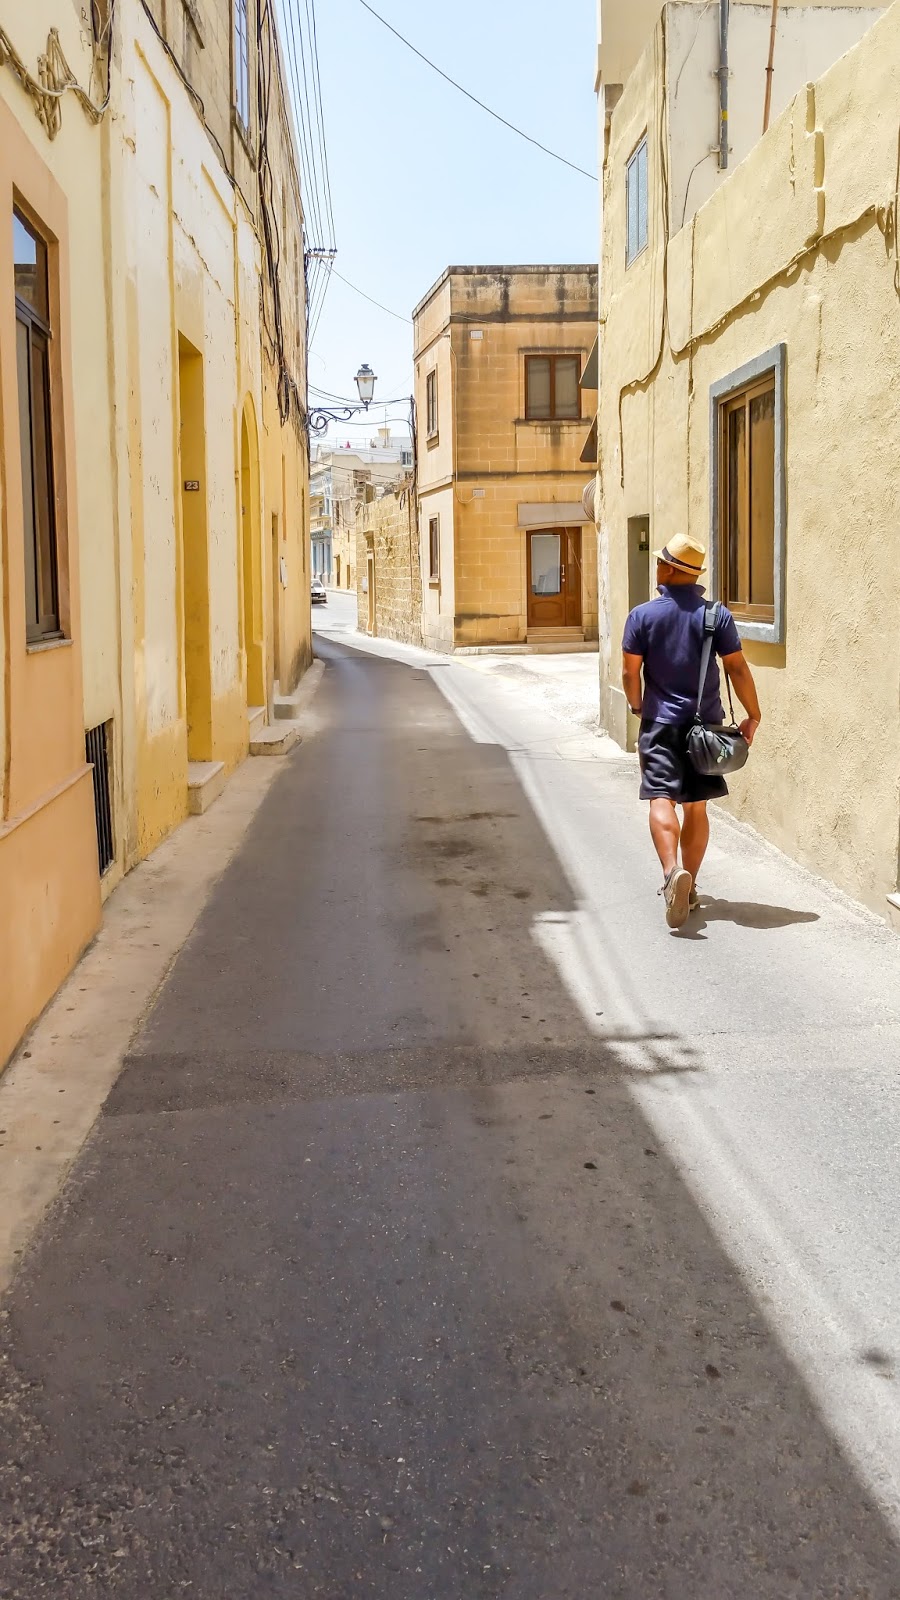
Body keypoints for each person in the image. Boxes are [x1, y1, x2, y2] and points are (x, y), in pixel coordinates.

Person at [621, 533, 762, 930]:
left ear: (668, 569)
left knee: (660, 798)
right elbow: (736, 667)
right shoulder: (717, 616)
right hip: (707, 727)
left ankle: (672, 875)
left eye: (660, 562)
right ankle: (692, 883)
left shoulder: (643, 616)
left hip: (660, 723)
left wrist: (637, 705)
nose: (657, 568)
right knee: (696, 807)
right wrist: (753, 714)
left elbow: (631, 672)